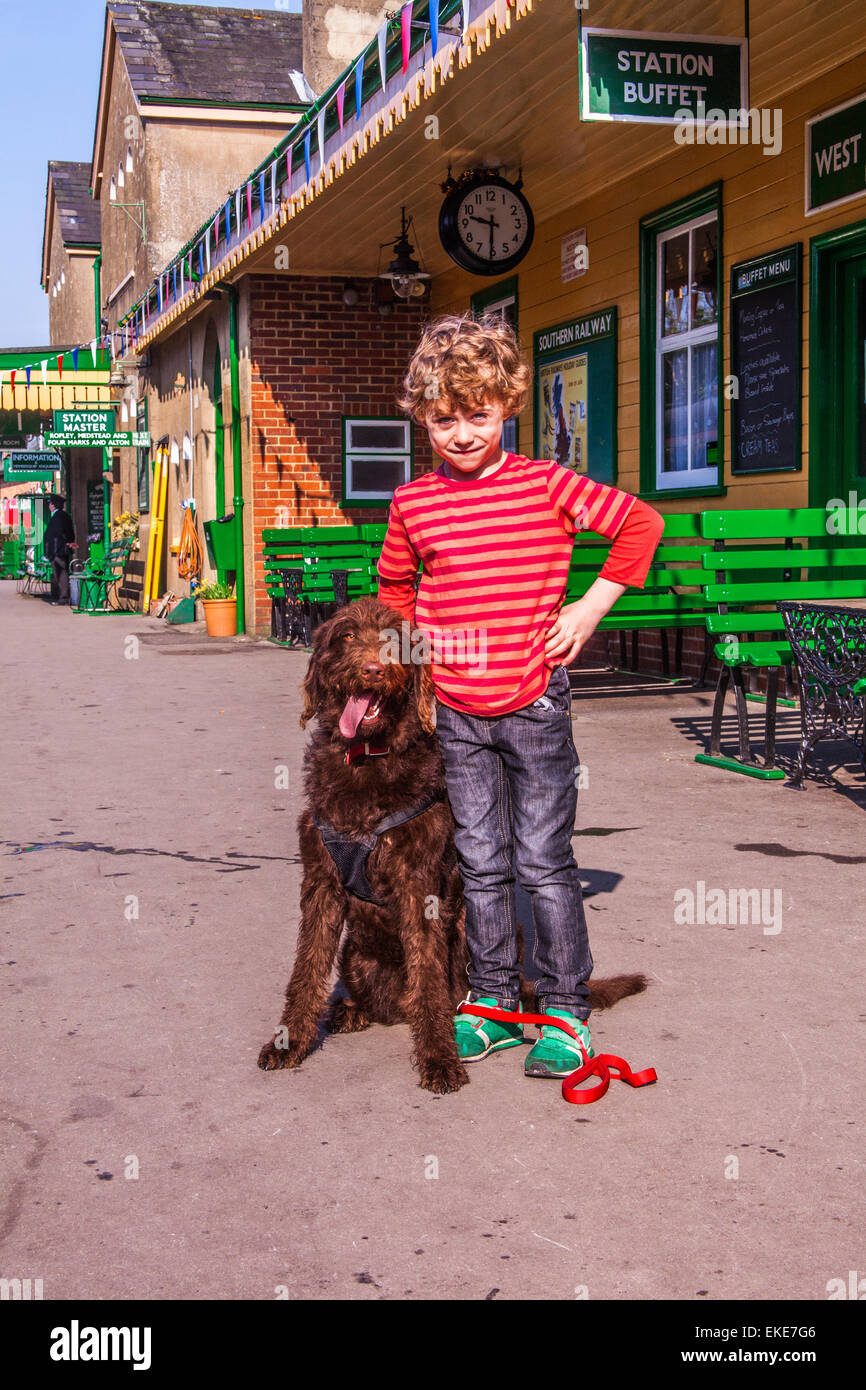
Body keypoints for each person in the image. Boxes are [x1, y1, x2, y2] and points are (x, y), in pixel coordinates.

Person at [376, 312, 665, 1079]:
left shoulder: (547, 484)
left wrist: (589, 606)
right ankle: (494, 1003)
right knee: (479, 858)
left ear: (507, 404)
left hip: (535, 703)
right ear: (422, 417)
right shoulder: (413, 504)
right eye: (444, 419)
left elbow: (640, 524)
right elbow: (396, 590)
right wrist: (412, 678)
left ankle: (566, 1014)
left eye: (478, 414)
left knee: (541, 857)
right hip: (456, 710)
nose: (463, 433)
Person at [43, 494, 76, 606]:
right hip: (58, 550)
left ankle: (64, 598)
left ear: (53, 505)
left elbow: (60, 534)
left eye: (50, 503)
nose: (49, 506)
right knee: (60, 573)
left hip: (58, 550)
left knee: (61, 573)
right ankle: (63, 597)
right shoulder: (60, 516)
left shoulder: (59, 516)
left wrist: (57, 548)